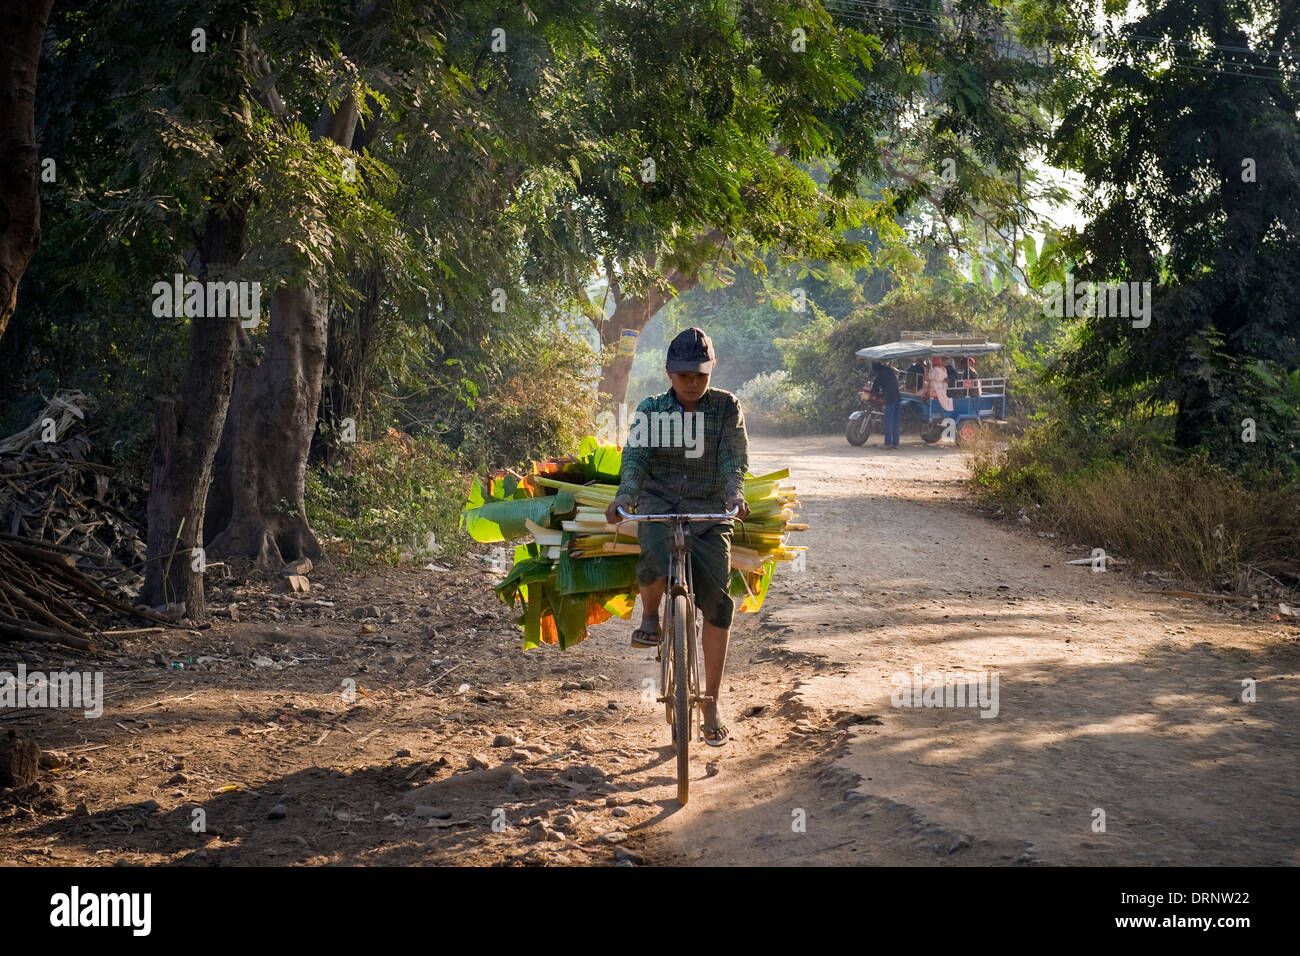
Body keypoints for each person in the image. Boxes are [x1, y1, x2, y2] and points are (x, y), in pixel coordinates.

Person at [605, 327, 750, 747]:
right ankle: (650, 617)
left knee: (719, 602)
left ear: (711, 371)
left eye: (700, 375)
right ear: (669, 372)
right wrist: (625, 497)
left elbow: (732, 459)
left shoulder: (725, 408)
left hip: (709, 511)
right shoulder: (652, 410)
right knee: (651, 555)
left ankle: (712, 704)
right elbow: (634, 458)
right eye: (684, 374)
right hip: (659, 505)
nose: (692, 382)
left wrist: (734, 495)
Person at [870, 360, 901, 449]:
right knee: (896, 422)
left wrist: (878, 395)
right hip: (897, 397)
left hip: (890, 399)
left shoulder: (879, 375)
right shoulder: (889, 370)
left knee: (889, 422)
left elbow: (874, 390)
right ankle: (895, 443)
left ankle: (887, 443)